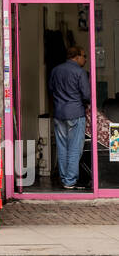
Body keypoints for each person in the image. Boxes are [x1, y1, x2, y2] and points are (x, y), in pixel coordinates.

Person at [48, 45, 91, 191]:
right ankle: (70, 181)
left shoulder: (55, 70)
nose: (85, 60)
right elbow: (86, 95)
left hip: (59, 113)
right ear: (77, 56)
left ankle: (64, 178)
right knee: (74, 148)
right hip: (75, 113)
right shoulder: (80, 72)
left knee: (62, 147)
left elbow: (51, 90)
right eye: (84, 56)